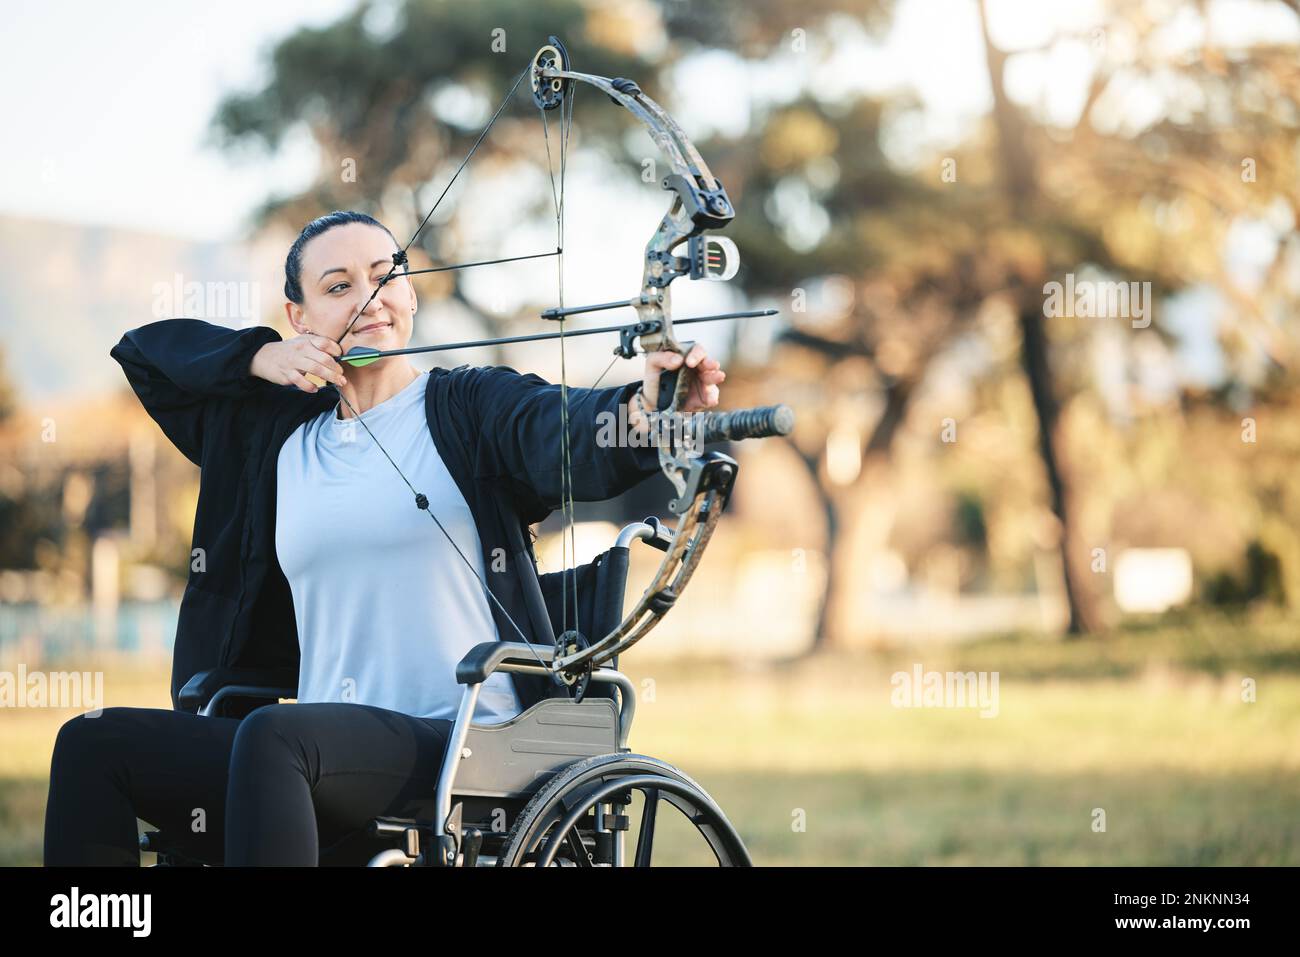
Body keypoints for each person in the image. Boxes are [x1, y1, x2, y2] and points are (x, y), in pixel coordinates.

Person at [43, 210, 726, 866]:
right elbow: (149, 356)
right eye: (338, 287)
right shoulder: (275, 438)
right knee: (91, 743)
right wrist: (258, 358)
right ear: (299, 319)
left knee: (277, 737)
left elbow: (565, 431)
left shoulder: (468, 408)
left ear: (410, 293)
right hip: (303, 753)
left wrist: (645, 410)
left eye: (384, 275)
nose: (368, 297)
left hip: (460, 742)